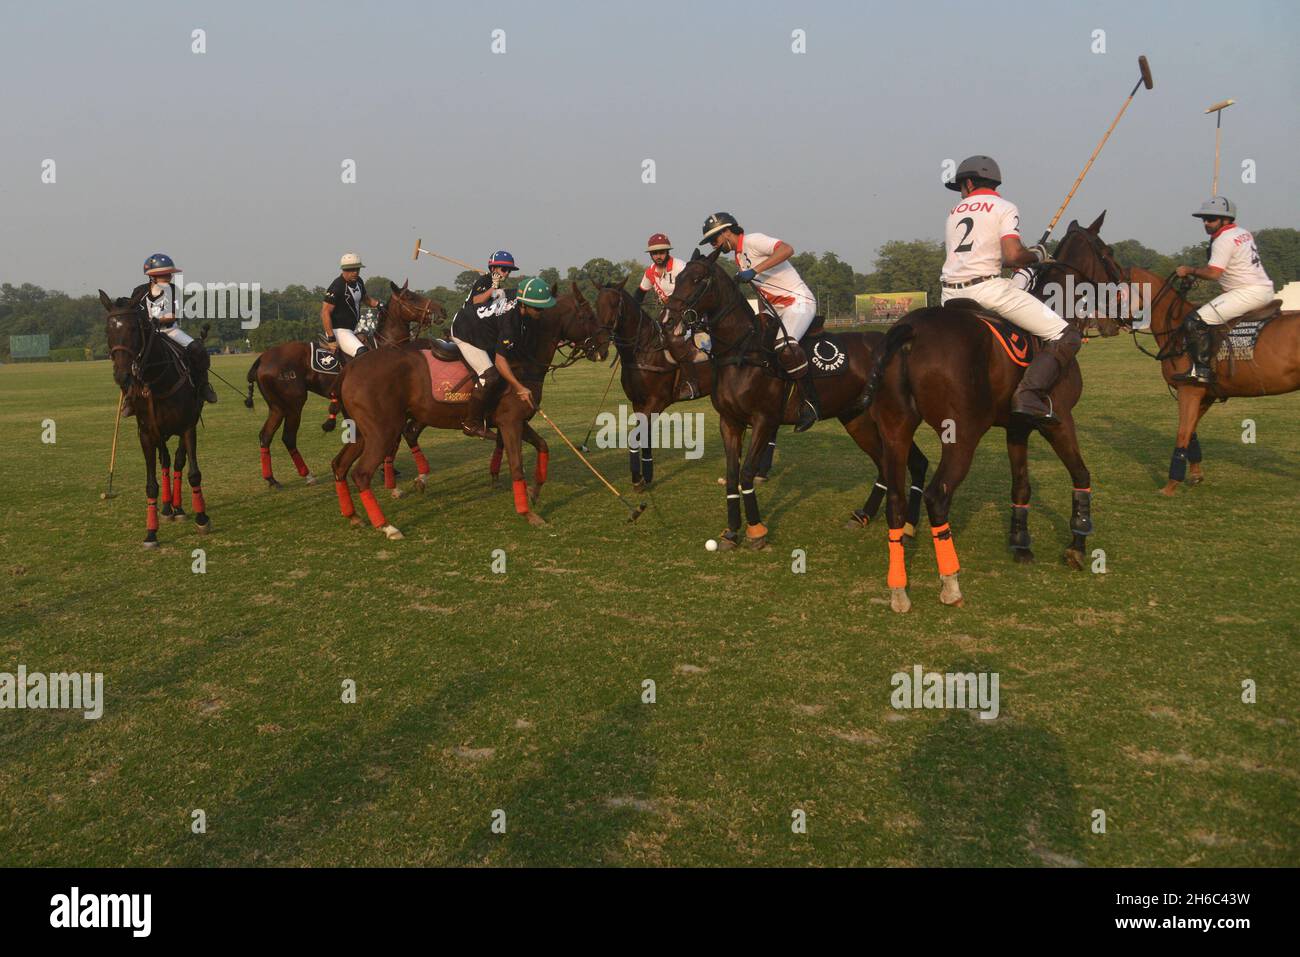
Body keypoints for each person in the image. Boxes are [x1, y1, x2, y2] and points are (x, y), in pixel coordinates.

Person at [939, 155, 1080, 424]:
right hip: (987, 291)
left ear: (968, 183)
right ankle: (1027, 394)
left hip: (949, 295)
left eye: (960, 187)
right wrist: (1036, 255)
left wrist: (1022, 258)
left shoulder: (955, 212)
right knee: (1068, 335)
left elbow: (990, 256)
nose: (961, 192)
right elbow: (1013, 255)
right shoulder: (1003, 207)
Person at [696, 213, 821, 432]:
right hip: (775, 310)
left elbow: (787, 249)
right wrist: (762, 315)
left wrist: (755, 270)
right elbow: (762, 289)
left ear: (727, 232)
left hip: (797, 302)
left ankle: (810, 403)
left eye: (714, 239)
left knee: (785, 347)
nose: (714, 244)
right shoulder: (739, 256)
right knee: (755, 349)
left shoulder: (753, 240)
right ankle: (771, 405)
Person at [1172, 197, 1275, 385]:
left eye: (1211, 219)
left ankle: (1202, 371)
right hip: (1264, 290)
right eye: (1204, 219)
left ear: (1225, 220)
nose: (1205, 223)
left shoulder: (1223, 240)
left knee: (1195, 321)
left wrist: (1189, 270)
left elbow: (1213, 273)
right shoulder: (1243, 233)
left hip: (1246, 293)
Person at [449, 271, 548, 438]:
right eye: (538, 308)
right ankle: (471, 423)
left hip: (481, 328)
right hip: (465, 331)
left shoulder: (517, 295)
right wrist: (520, 388)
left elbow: (502, 292)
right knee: (489, 375)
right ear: (523, 305)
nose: (541, 312)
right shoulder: (511, 324)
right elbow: (500, 362)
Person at [131, 253, 217, 404]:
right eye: (164, 275)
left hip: (170, 331)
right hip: (147, 335)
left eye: (169, 274)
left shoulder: (173, 290)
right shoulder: (139, 292)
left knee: (198, 349)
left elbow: (173, 315)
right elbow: (134, 313)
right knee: (128, 360)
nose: (169, 277)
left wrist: (156, 320)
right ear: (153, 276)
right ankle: (130, 397)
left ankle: (203, 387)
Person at [321, 253, 382, 358]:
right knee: (363, 354)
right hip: (339, 331)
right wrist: (331, 338)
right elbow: (325, 312)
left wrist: (379, 305)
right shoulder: (337, 287)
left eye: (357, 269)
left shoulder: (359, 281)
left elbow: (366, 298)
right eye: (352, 270)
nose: (355, 272)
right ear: (344, 270)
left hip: (353, 329)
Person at [634, 233, 686, 308]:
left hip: (685, 308)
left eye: (661, 252)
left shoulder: (681, 267)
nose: (658, 256)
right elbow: (640, 293)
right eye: (655, 253)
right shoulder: (650, 272)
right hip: (668, 310)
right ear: (650, 254)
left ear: (667, 252)